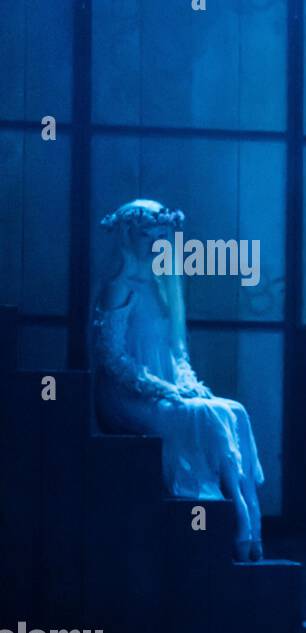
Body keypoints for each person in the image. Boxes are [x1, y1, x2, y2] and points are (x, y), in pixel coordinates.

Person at [94, 199, 264, 560]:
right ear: (128, 237)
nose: (156, 242)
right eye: (147, 235)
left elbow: (177, 351)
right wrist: (164, 389)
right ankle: (238, 520)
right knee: (203, 414)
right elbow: (111, 356)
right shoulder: (119, 286)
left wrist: (187, 383)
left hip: (166, 388)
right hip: (127, 396)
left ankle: (249, 518)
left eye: (161, 235)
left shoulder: (163, 286)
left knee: (234, 411)